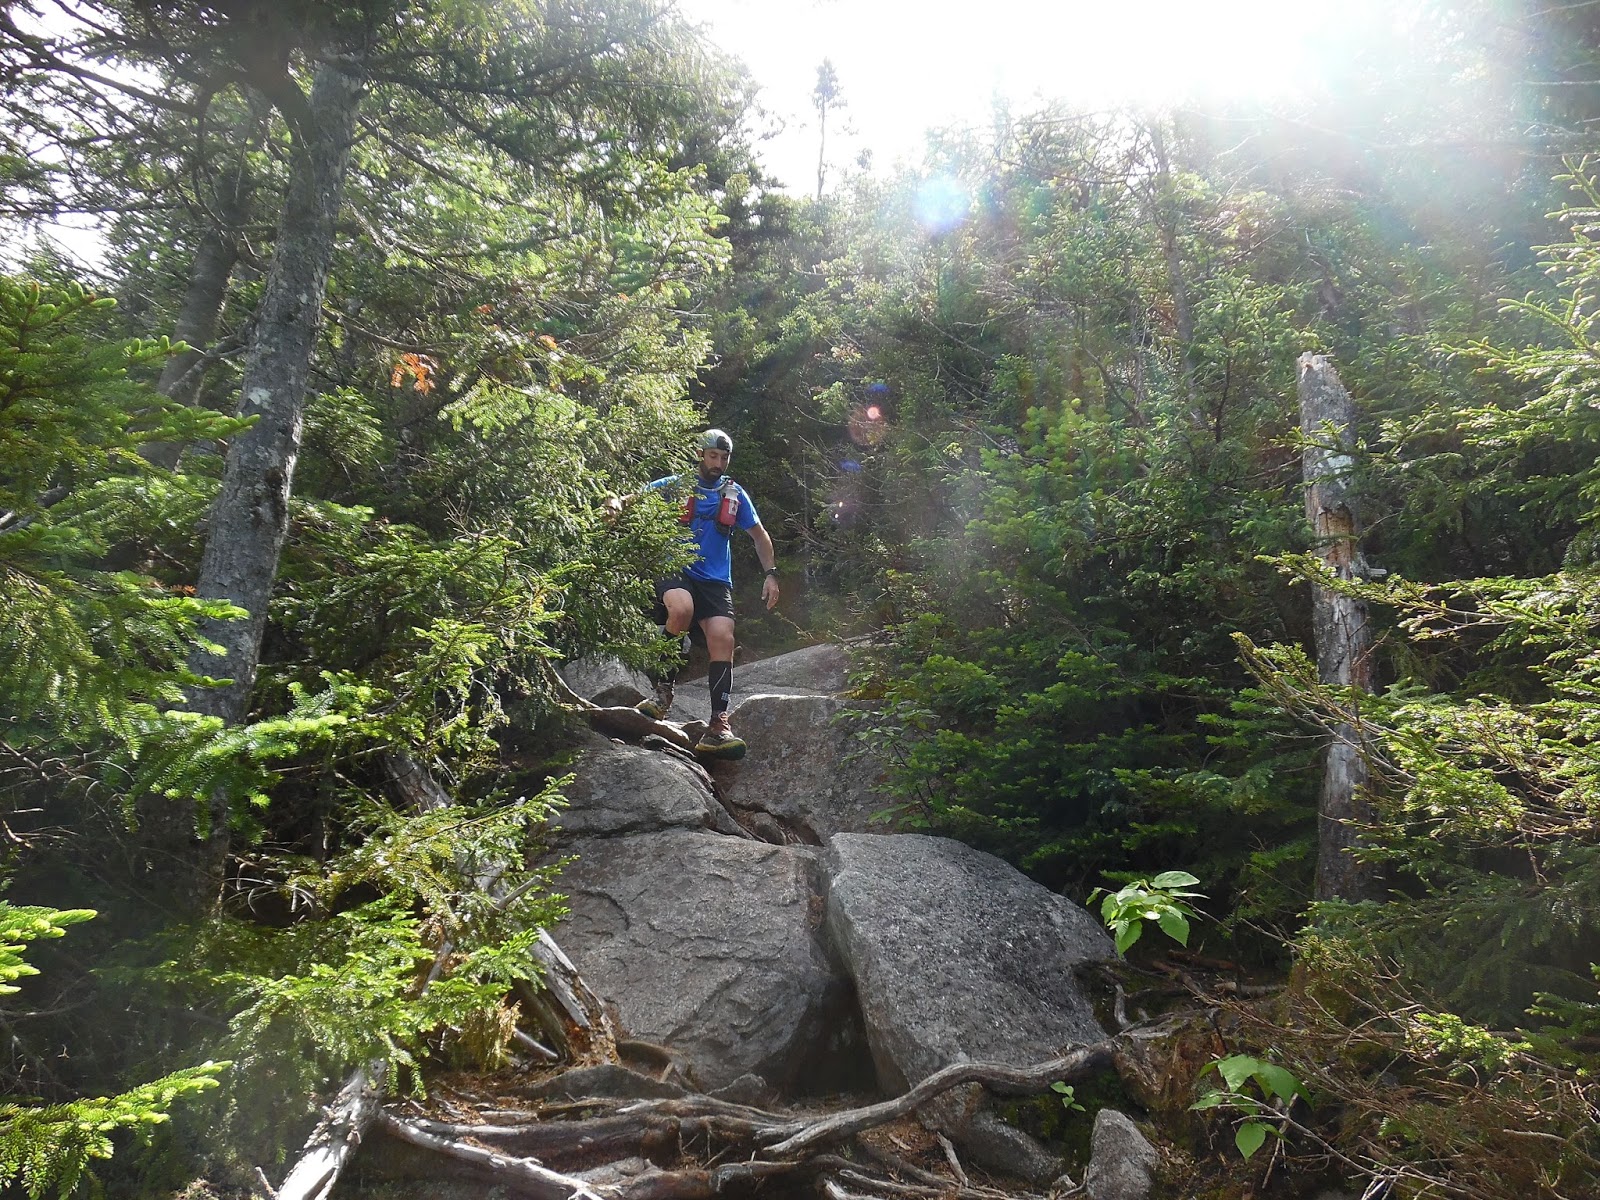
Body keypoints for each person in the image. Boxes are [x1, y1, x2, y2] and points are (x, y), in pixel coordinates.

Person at [609, 428, 779, 757]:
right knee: (682, 609)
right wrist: (614, 505)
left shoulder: (734, 494)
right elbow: (630, 500)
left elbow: (759, 535)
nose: (718, 463)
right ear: (700, 455)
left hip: (715, 578)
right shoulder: (676, 485)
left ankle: (718, 725)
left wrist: (770, 574)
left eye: (724, 458)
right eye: (713, 456)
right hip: (677, 567)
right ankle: (662, 693)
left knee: (723, 637)